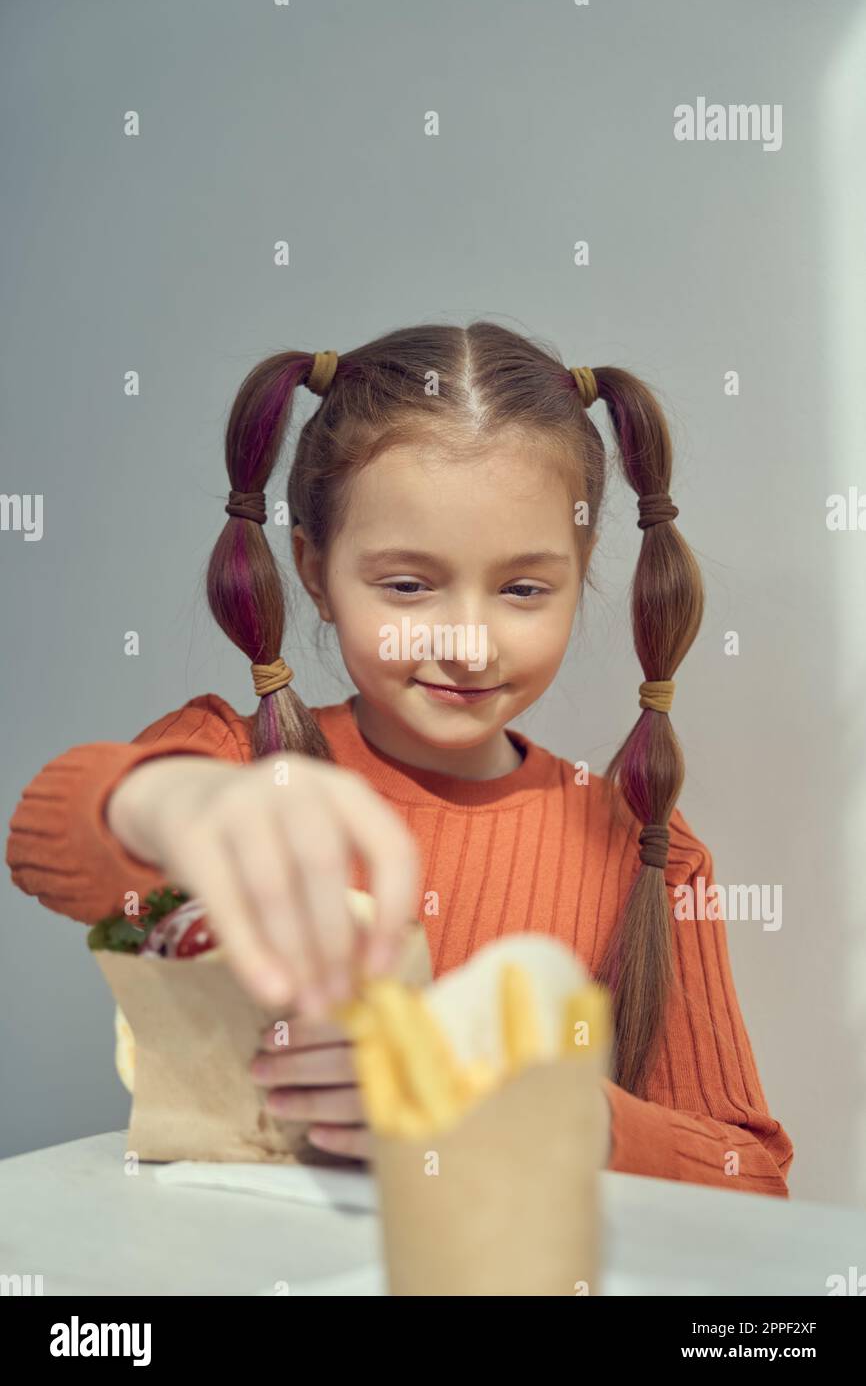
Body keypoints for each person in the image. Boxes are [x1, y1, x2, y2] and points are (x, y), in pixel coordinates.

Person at [5, 322, 793, 1192]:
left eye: (524, 589)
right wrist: (174, 805)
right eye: (409, 586)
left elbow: (749, 1174)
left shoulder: (645, 848)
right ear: (313, 567)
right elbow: (46, 836)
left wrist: (553, 1110)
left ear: (583, 568)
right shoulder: (239, 760)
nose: (467, 646)